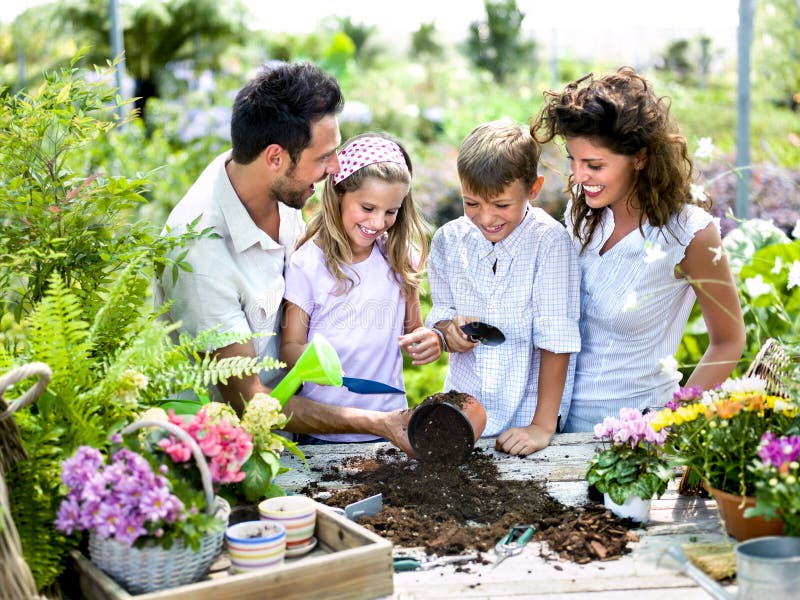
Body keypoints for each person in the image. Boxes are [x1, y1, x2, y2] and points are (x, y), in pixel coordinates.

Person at [154, 62, 414, 453]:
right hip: (237, 461)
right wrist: (378, 423)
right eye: (324, 157)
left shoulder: (284, 190)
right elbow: (248, 401)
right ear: (275, 157)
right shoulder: (198, 249)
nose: (336, 168)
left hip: (300, 443)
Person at [531, 67, 746, 433]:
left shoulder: (689, 233)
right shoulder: (580, 214)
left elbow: (729, 341)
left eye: (594, 165)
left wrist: (674, 422)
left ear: (641, 158)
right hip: (555, 424)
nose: (579, 177)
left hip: (636, 435)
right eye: (574, 160)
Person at [425, 120, 581, 456]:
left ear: (533, 189)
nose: (486, 218)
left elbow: (557, 339)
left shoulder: (550, 243)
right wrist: (447, 332)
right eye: (472, 203)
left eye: (501, 205)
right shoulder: (448, 241)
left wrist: (541, 426)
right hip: (465, 413)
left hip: (524, 418)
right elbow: (441, 313)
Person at [280, 133, 442, 444]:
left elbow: (413, 330)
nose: (379, 222)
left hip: (390, 427)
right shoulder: (308, 263)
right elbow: (289, 349)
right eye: (367, 207)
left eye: (390, 211)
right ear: (340, 193)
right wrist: (321, 364)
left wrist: (428, 342)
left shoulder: (397, 256)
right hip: (325, 432)